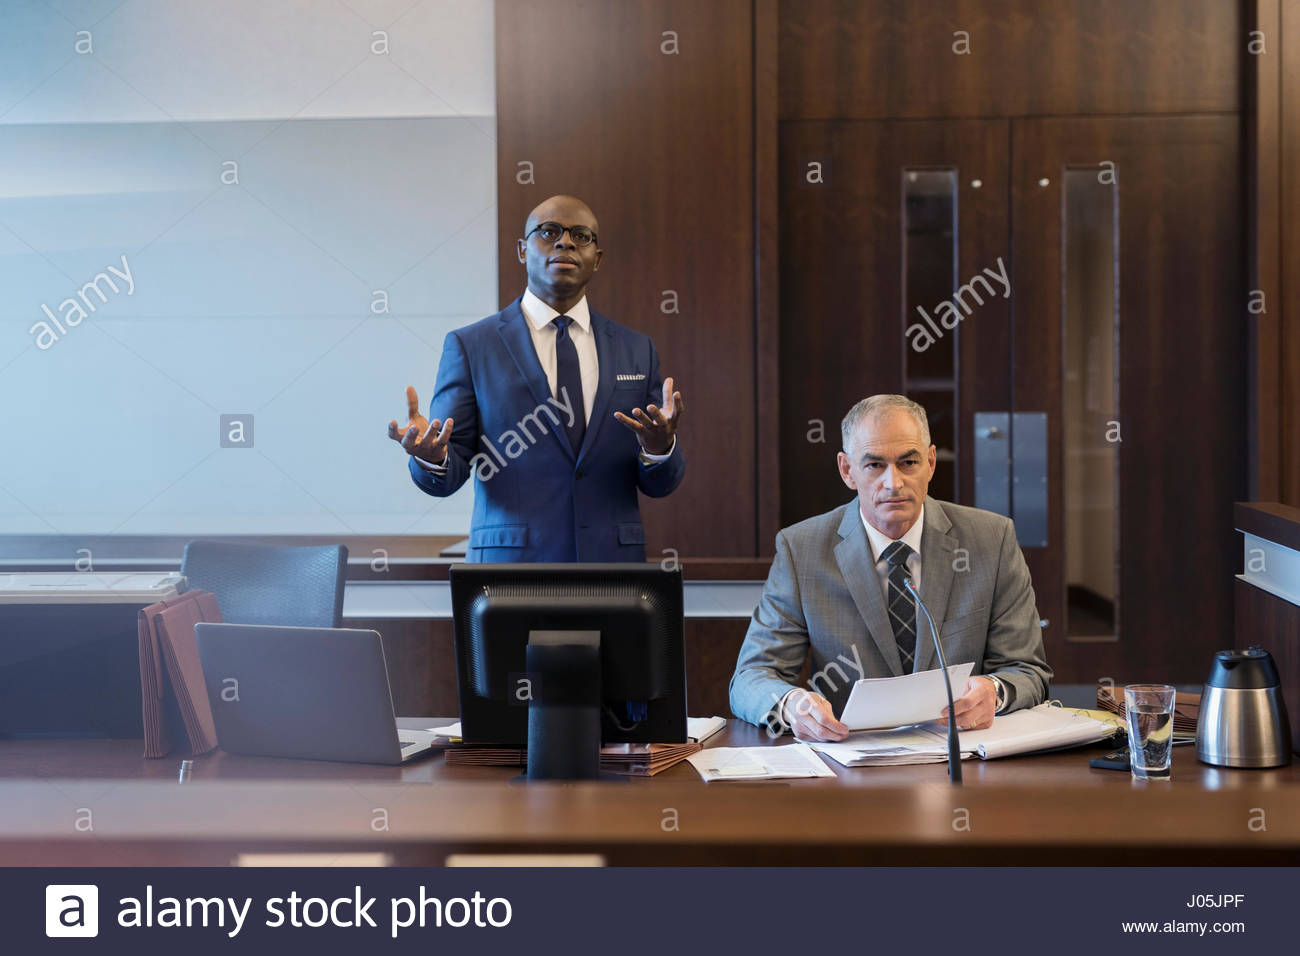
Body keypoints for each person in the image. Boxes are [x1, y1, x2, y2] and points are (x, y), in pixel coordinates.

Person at [729, 394, 1051, 740]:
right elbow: (751, 678)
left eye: (908, 463)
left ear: (930, 462)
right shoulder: (802, 549)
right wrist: (793, 705)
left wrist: (995, 691)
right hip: (850, 764)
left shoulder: (991, 540)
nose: (893, 483)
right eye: (874, 465)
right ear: (847, 470)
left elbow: (1028, 670)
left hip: (964, 757)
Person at [388, 195, 686, 561]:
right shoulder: (471, 346)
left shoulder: (638, 349)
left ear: (597, 259)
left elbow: (660, 485)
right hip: (509, 570)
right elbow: (449, 475)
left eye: (581, 235)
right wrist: (431, 458)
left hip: (612, 568)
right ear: (522, 249)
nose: (565, 242)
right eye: (549, 232)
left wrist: (658, 449)